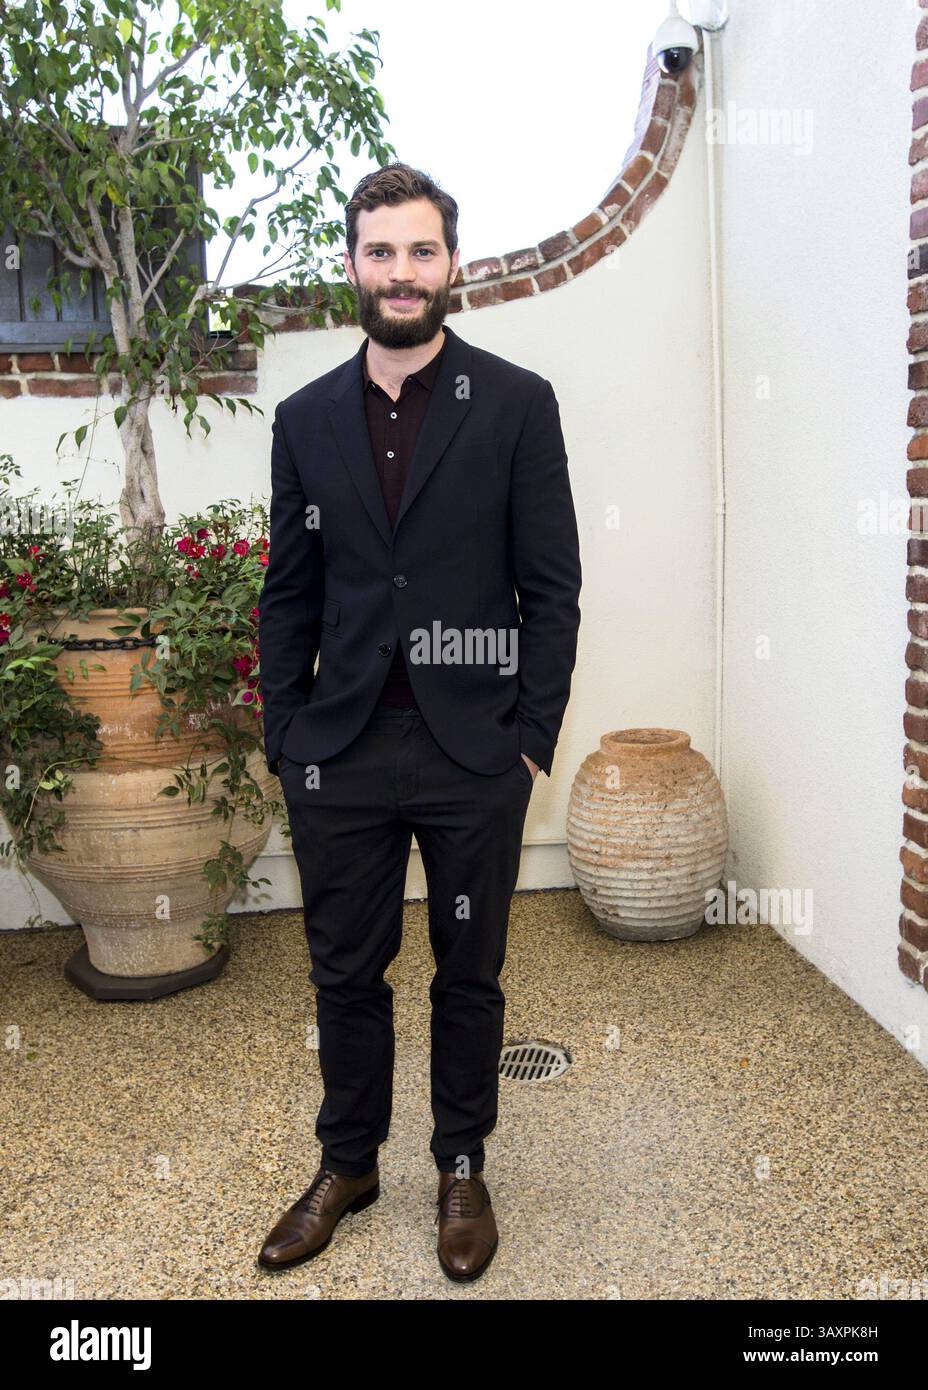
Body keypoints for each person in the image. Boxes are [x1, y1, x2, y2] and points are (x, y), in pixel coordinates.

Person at [256, 163, 582, 1282]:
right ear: (352, 265)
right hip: (338, 748)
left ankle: (462, 1164)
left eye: (421, 251)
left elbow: (552, 588)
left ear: (452, 264)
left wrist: (528, 737)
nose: (402, 272)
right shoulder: (304, 419)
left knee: (469, 971)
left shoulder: (517, 403)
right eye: (381, 251)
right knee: (344, 973)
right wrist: (284, 735)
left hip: (473, 748)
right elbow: (288, 592)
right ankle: (347, 1164)